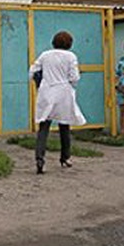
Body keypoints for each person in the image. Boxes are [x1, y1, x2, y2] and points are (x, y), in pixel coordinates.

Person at [29, 30, 86, 174]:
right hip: (63, 94)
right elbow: (74, 78)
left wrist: (40, 81)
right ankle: (65, 157)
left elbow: (32, 71)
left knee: (44, 127)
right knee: (64, 126)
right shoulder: (71, 56)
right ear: (69, 44)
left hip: (47, 92)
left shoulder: (45, 55)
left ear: (53, 42)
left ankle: (39, 159)